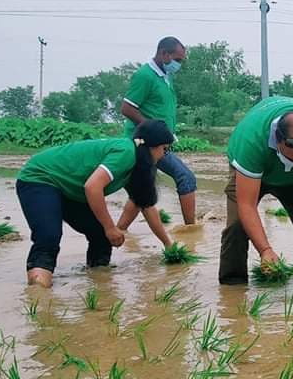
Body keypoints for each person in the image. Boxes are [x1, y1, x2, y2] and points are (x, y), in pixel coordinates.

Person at [15, 120, 175, 288]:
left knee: (101, 237)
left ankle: (99, 284)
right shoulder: (126, 152)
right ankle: (38, 296)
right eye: (165, 149)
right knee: (48, 237)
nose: (165, 154)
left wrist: (168, 245)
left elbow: (147, 206)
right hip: (40, 178)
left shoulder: (137, 167)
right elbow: (92, 187)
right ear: (151, 146)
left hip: (70, 189)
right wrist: (110, 228)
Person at [219, 96, 293, 284]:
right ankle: (232, 289)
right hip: (253, 171)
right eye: (290, 158)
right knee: (236, 227)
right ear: (277, 138)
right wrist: (265, 250)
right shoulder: (252, 141)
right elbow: (246, 205)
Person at [117, 36, 197, 226]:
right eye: (177, 60)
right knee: (186, 177)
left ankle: (119, 232)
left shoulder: (165, 77)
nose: (179, 64)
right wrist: (154, 132)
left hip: (158, 143)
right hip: (146, 143)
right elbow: (127, 108)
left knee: (143, 189)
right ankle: (191, 229)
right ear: (164, 54)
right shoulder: (145, 76)